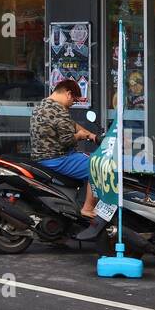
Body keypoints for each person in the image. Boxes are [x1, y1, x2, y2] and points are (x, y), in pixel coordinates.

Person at [29, 79, 102, 219]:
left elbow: (71, 125)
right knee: (98, 166)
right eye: (74, 100)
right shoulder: (60, 110)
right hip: (57, 158)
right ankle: (87, 208)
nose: (72, 104)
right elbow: (67, 140)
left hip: (41, 157)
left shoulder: (42, 105)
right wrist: (80, 136)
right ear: (68, 94)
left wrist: (91, 135)